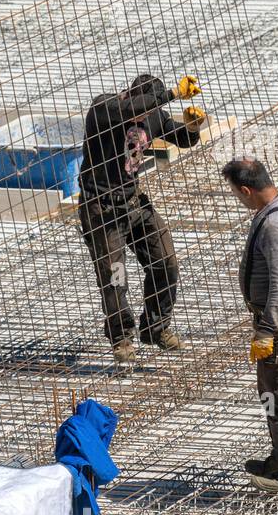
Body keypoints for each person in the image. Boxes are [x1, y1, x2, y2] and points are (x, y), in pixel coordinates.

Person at [80, 73, 207, 363]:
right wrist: (174, 93)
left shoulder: (153, 115)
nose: (148, 116)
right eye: (145, 108)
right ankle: (122, 339)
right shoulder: (105, 108)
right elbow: (130, 111)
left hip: (134, 202)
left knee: (166, 262)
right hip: (102, 208)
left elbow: (183, 139)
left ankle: (155, 328)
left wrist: (192, 127)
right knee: (115, 278)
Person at [222, 155, 278, 493]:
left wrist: (266, 330)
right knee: (270, 393)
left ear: (246, 190)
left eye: (236, 193)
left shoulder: (275, 226)